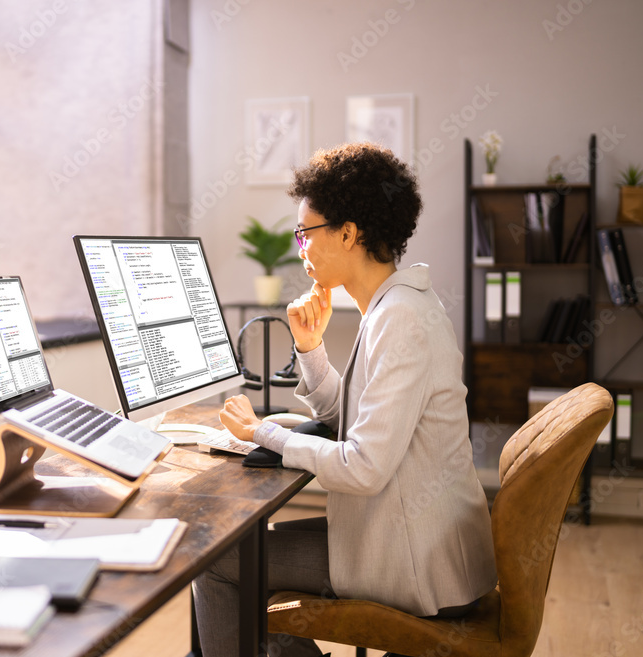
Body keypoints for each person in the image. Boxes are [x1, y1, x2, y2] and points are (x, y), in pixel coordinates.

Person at [192, 143, 498, 656]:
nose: (300, 248)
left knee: (217, 561)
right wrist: (311, 350)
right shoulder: (396, 305)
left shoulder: (398, 319)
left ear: (349, 233)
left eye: (305, 233)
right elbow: (355, 422)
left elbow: (363, 467)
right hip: (417, 540)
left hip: (418, 562)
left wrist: (262, 433)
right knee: (241, 554)